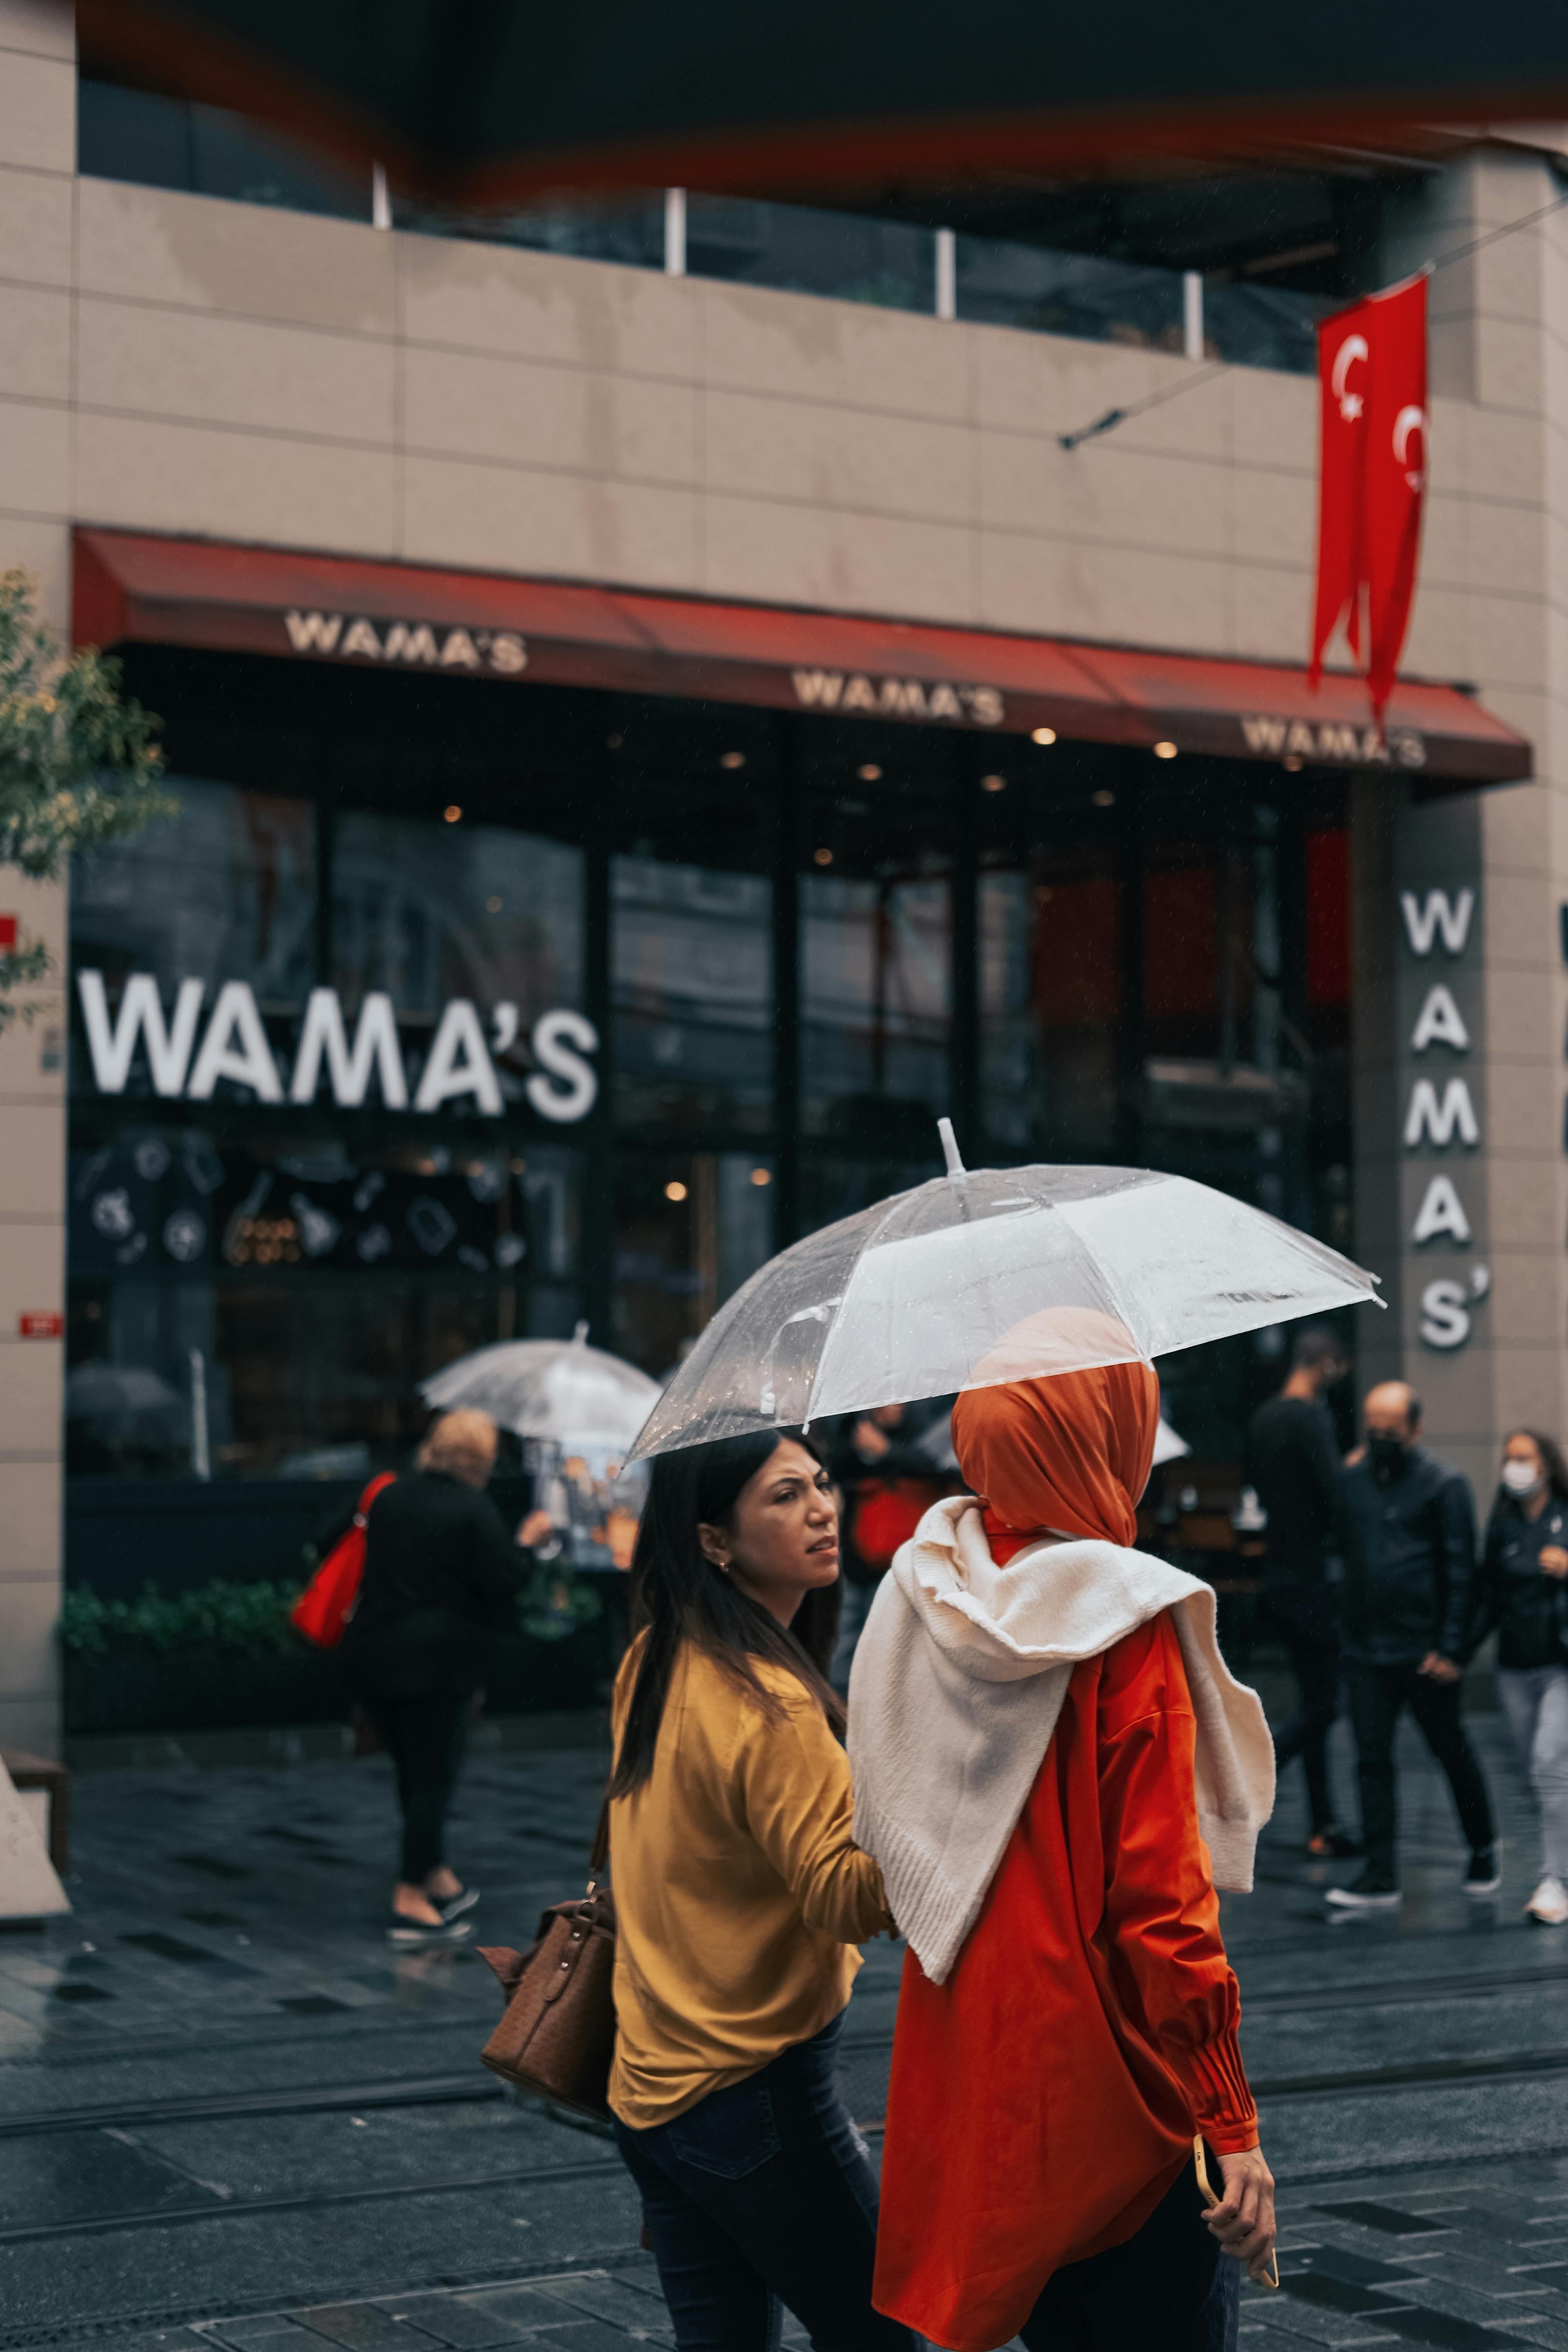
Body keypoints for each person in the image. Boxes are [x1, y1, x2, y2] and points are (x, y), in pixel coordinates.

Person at [851, 1342, 1278, 2352]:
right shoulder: (1122, 1620)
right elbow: (1163, 1907)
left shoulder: (917, 1593)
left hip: (975, 2082)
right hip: (1120, 2100)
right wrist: (1231, 2124)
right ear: (1108, 1438)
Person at [606, 1430, 915, 2352]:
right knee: (884, 2335)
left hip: (651, 2087)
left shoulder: (657, 1655)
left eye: (822, 1483)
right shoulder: (770, 1702)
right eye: (783, 1495)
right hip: (754, 2093)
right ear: (713, 1539)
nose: (823, 1507)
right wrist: (949, 1800)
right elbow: (841, 1893)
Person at [341, 1408, 518, 1946]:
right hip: (437, 1665)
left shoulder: (392, 1497)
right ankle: (411, 1894)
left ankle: (435, 1870)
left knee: (411, 1773)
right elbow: (504, 1586)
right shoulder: (476, 1511)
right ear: (480, 1459)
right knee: (435, 1778)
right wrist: (531, 1545)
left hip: (375, 1657)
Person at [1329, 1381, 1497, 1911]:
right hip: (1365, 1649)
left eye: (1391, 1432)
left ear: (1415, 1430)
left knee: (1450, 1748)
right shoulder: (1351, 1480)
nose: (1380, 1438)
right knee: (1371, 1759)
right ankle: (1381, 1874)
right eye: (1373, 1430)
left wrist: (1452, 1649)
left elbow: (1461, 1572)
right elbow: (1343, 1549)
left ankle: (1483, 1847)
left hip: (1424, 1651)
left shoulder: (1444, 1484)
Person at [1247, 1325, 1359, 1856]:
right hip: (1315, 1576)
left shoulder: (1264, 1418)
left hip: (1279, 1573)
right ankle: (1249, 1788)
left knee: (1315, 1698)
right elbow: (1334, 1494)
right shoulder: (1312, 1418)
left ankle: (1325, 1824)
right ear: (1328, 1363)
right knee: (1324, 1705)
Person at [1474, 1430, 1568, 1926]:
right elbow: (1487, 1595)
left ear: (1546, 1465)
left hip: (1561, 1664)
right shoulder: (1504, 1525)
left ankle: (1556, 1880)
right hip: (1514, 1665)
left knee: (1550, 1762)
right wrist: (1456, 1653)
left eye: (1524, 1458)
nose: (1515, 1467)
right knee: (1538, 1776)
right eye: (1509, 1457)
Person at [828, 1404, 941, 1694]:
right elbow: (834, 1467)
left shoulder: (925, 1421)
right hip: (857, 1553)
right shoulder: (855, 1422)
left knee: (886, 1639)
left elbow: (939, 1466)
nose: (892, 1407)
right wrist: (863, 1430)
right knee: (845, 1641)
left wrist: (887, 1450)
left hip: (902, 1554)